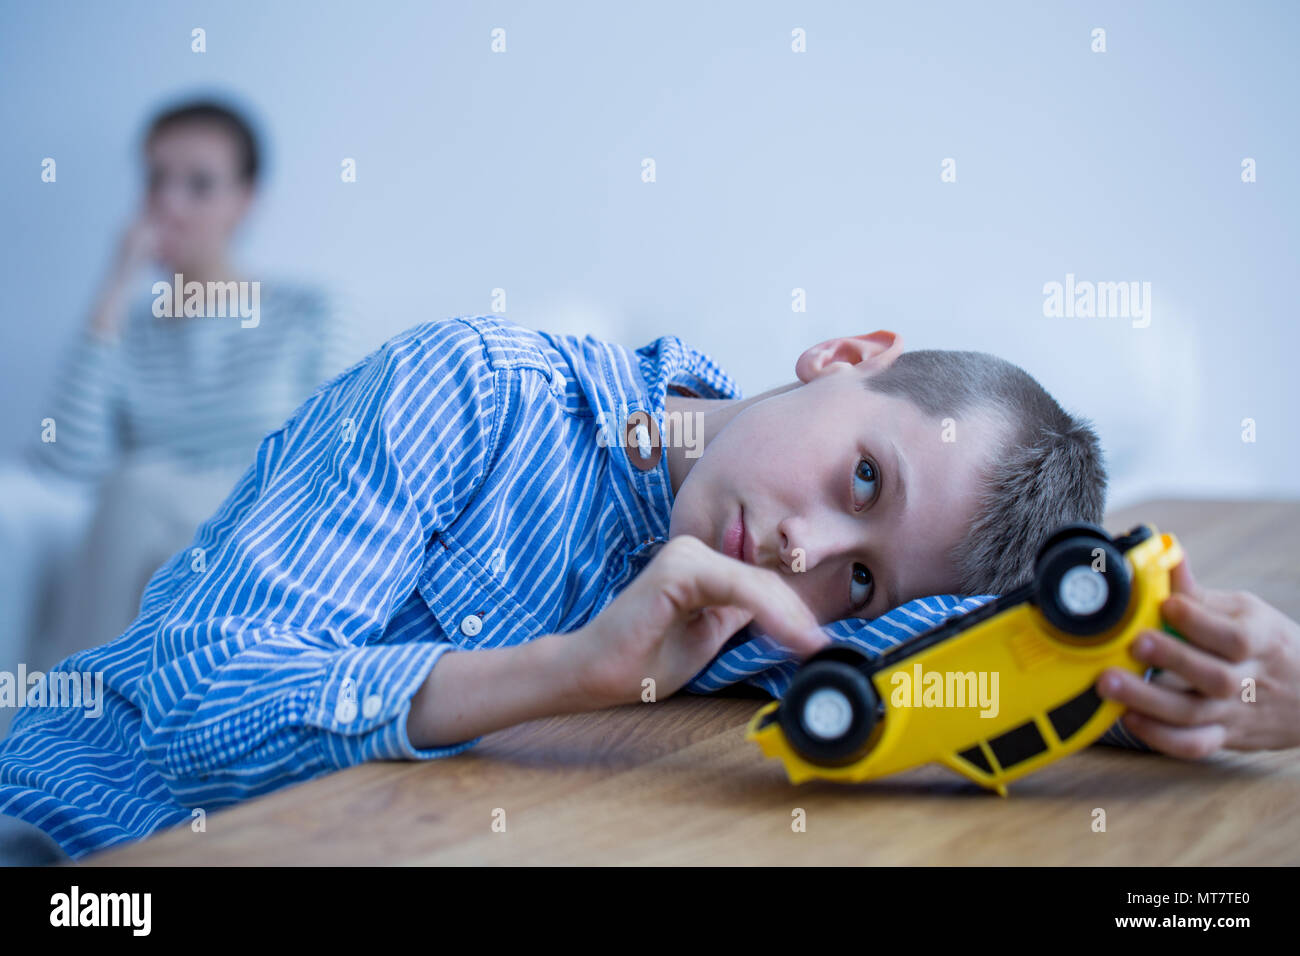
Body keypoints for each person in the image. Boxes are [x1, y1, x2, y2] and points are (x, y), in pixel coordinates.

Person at [0, 315, 1296, 864]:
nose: (807, 558)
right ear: (847, 353)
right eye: (860, 477)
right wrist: (573, 671)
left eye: (864, 576)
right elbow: (193, 708)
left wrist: (1234, 680)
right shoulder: (475, 394)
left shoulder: (798, 609)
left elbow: (1008, 655)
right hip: (74, 834)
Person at [0, 99, 362, 708]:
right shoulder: (131, 331)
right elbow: (68, 465)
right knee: (137, 510)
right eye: (156, 180)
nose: (169, 202)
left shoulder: (307, 310)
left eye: (199, 184)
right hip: (147, 542)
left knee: (137, 487)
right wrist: (113, 288)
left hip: (259, 521)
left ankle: (52, 733)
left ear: (245, 201)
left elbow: (327, 453)